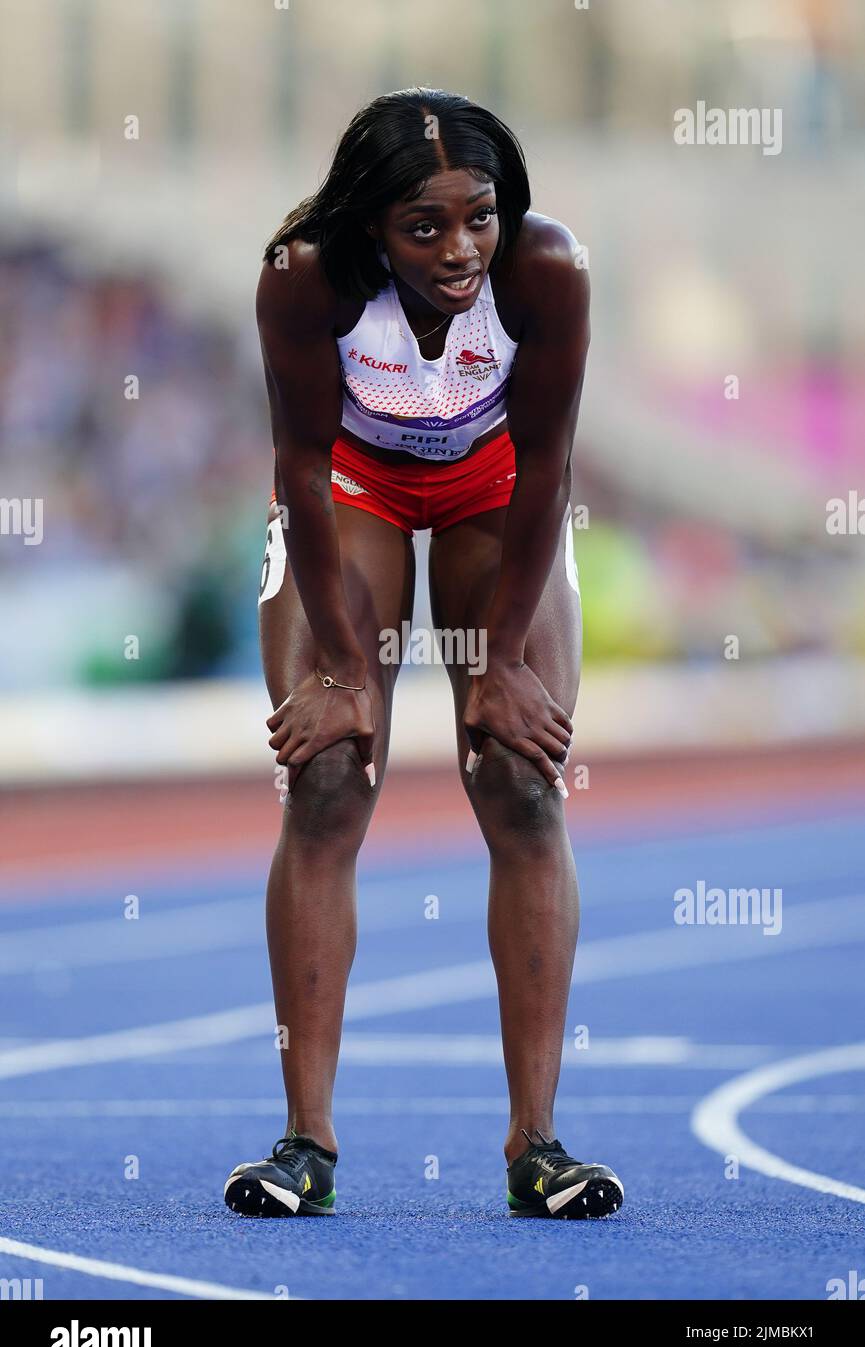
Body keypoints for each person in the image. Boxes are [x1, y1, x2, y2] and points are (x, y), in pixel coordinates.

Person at [224, 88, 623, 1221]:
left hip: (496, 483)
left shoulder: (547, 269)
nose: (460, 251)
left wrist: (498, 658)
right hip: (353, 485)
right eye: (425, 228)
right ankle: (305, 1143)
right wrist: (345, 669)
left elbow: (546, 463)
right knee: (328, 777)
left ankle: (537, 1144)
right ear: (369, 226)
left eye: (479, 219)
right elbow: (301, 466)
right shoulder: (305, 276)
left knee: (521, 779)